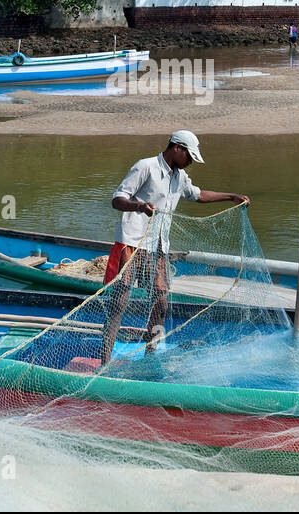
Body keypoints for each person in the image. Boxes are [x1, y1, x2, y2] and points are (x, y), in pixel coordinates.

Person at [99, 129, 250, 362]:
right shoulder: (146, 166)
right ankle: (104, 360)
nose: (190, 162)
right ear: (177, 148)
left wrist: (231, 197)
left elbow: (197, 195)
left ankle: (150, 356)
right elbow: (117, 199)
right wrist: (139, 207)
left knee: (160, 303)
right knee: (119, 303)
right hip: (132, 243)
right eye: (189, 156)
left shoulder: (180, 176)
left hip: (159, 247)